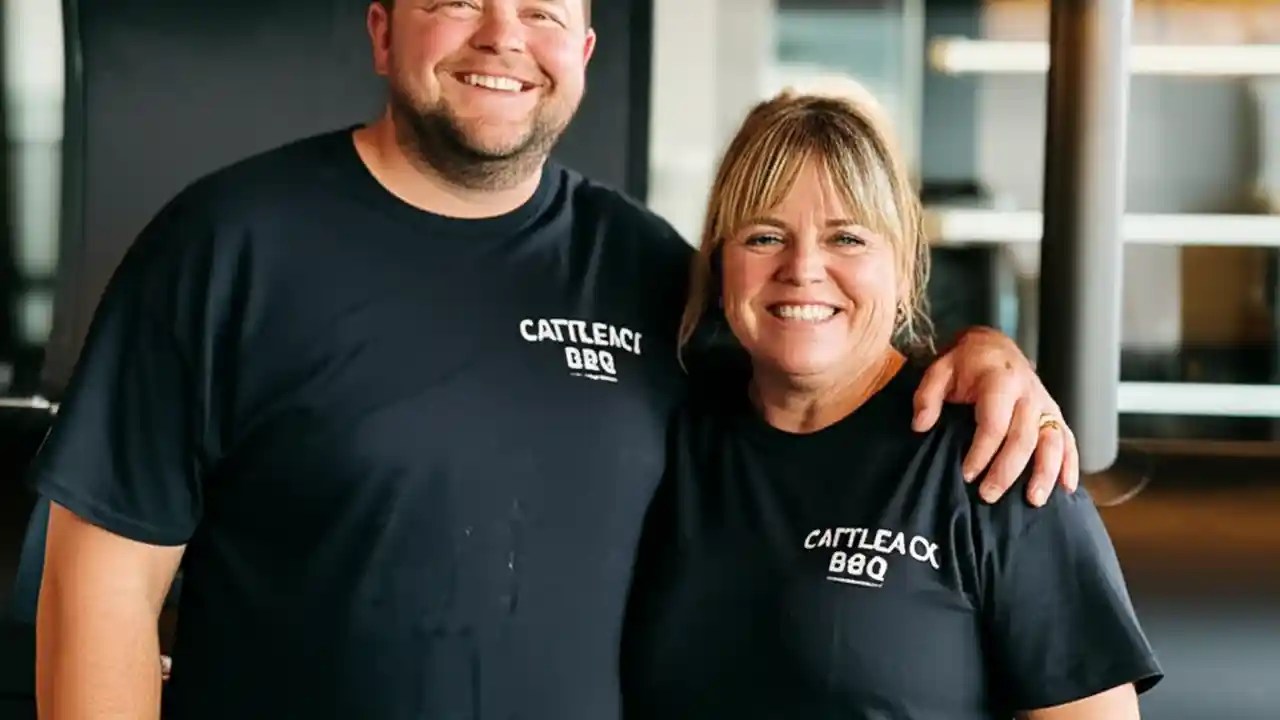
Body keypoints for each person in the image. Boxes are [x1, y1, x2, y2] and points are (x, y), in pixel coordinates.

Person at [33, 1, 1076, 718]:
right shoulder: (227, 245)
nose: (503, 36)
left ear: (582, 48)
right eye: (457, 0)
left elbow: (811, 360)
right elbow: (100, 592)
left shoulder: (647, 270)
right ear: (382, 27)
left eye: (542, 11)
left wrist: (978, 356)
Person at [620, 89, 1163, 719]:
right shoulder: (671, 432)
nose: (803, 269)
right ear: (720, 265)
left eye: (846, 238)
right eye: (764, 236)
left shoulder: (995, 454)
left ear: (903, 267)